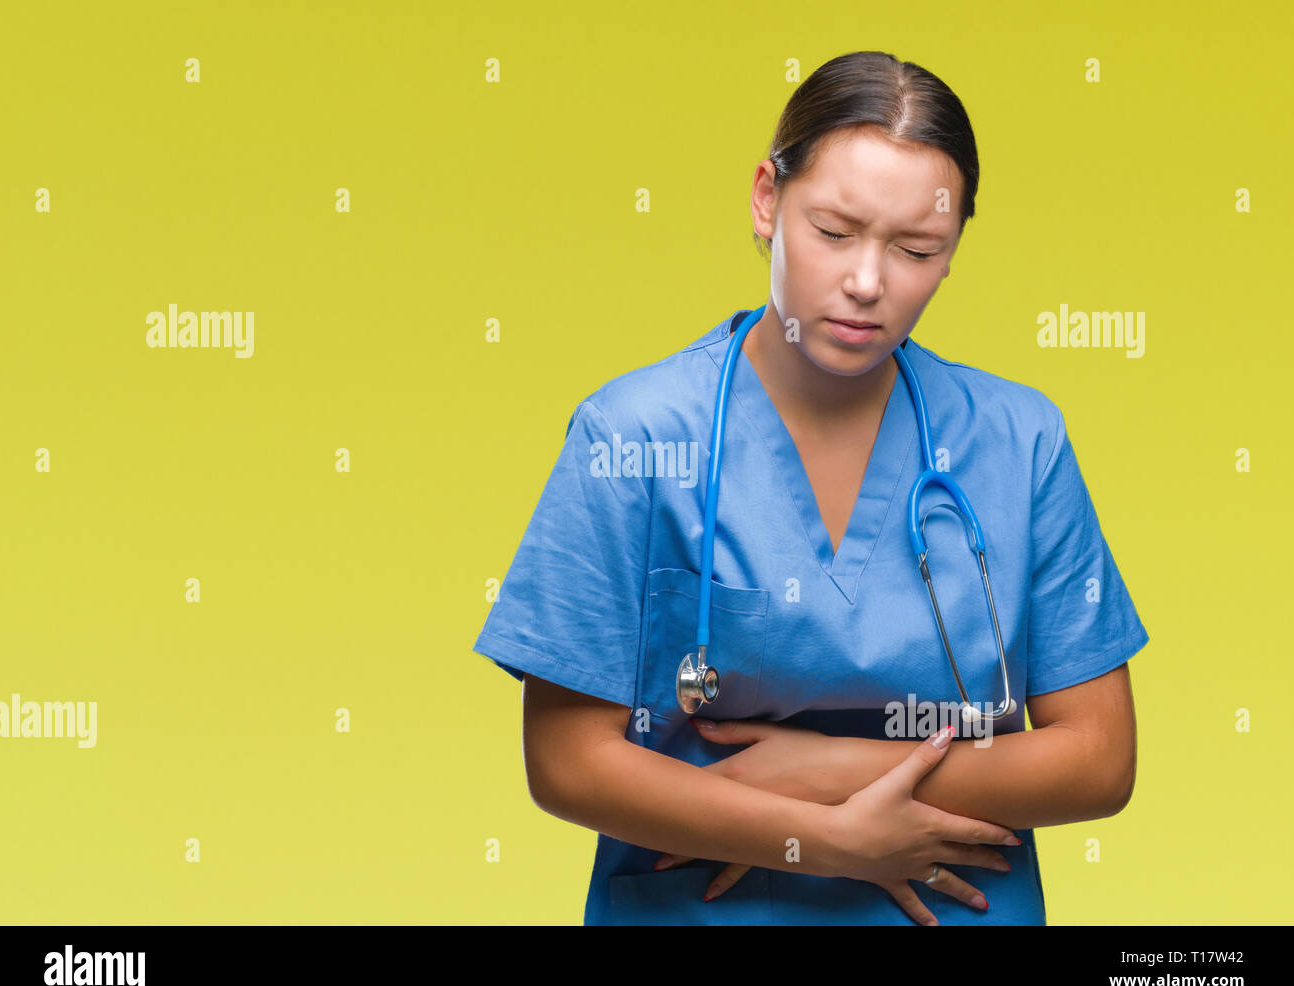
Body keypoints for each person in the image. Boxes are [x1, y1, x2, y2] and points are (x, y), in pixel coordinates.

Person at [472, 50, 1148, 926]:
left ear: (952, 251)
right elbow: (565, 760)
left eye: (916, 249)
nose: (867, 283)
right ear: (767, 199)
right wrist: (831, 840)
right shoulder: (633, 436)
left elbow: (1099, 758)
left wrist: (833, 769)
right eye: (834, 232)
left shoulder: (1020, 441)